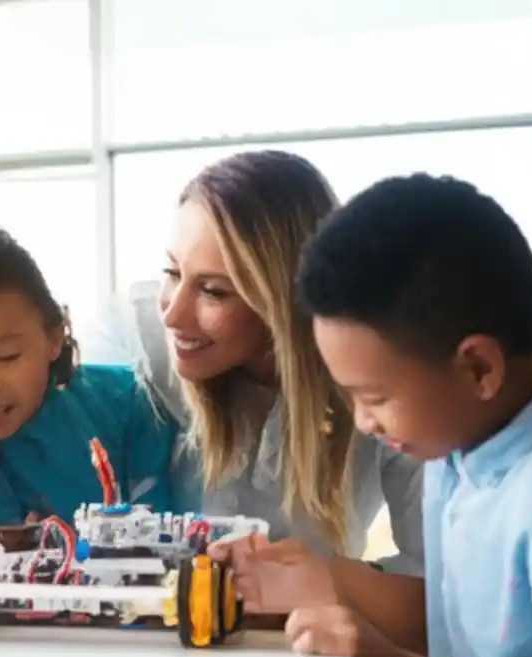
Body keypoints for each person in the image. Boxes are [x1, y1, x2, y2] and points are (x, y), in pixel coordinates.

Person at [228, 173, 532, 657]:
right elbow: (466, 625)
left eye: (373, 396)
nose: (363, 421)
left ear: (478, 367)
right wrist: (324, 579)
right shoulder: (465, 436)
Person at [95, 151, 422, 572]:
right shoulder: (136, 339)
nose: (172, 315)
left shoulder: (377, 383)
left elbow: (436, 571)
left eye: (213, 291)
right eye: (173, 272)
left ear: (284, 302)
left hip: (299, 634)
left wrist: (325, 581)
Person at [0, 219, 174, 556]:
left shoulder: (131, 406)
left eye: (6, 356)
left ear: (53, 337)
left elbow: (163, 536)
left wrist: (71, 550)